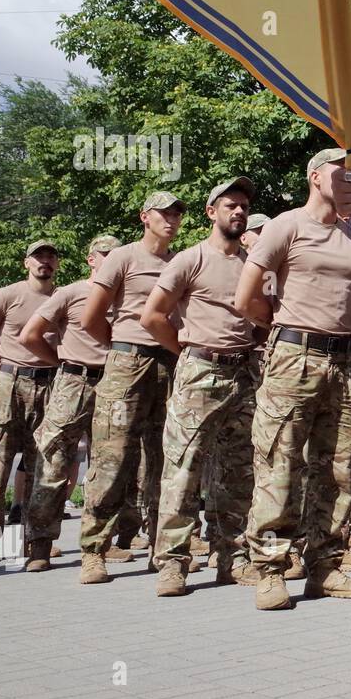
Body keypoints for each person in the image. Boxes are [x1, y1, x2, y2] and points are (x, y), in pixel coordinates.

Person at [235, 153, 351, 609]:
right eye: (339, 169)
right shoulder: (286, 226)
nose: (350, 177)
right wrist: (280, 328)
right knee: (279, 463)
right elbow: (245, 296)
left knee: (339, 468)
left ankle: (325, 567)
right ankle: (271, 568)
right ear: (314, 176)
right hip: (294, 356)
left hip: (344, 359)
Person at [142, 177, 261, 595]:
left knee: (239, 470)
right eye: (231, 205)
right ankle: (172, 563)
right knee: (183, 469)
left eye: (244, 205)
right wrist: (188, 353)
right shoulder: (189, 259)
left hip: (245, 373)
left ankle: (234, 557)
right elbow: (153, 315)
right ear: (212, 212)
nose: (239, 212)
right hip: (199, 371)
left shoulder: (254, 261)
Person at [76, 191, 186, 584]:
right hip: (128, 363)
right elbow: (91, 319)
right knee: (113, 455)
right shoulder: (124, 257)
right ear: (145, 217)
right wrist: (124, 346)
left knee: (166, 456)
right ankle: (93, 550)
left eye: (176, 213)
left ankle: (164, 548)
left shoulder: (180, 261)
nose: (171, 219)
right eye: (163, 213)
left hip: (171, 363)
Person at [20, 235, 122, 570]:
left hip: (114, 383)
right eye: (105, 254)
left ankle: (98, 545)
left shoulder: (125, 293)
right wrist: (61, 362)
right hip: (73, 382)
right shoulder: (72, 292)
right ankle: (39, 545)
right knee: (53, 463)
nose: (112, 259)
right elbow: (30, 335)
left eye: (117, 254)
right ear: (91, 259)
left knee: (107, 468)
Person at [0, 240, 59, 563]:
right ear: (27, 263)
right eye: (38, 257)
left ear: (56, 264)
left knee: (42, 466)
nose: (44, 262)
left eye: (50, 257)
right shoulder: (7, 294)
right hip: (10, 383)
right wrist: (3, 371)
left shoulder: (62, 298)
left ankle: (35, 541)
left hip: (49, 386)